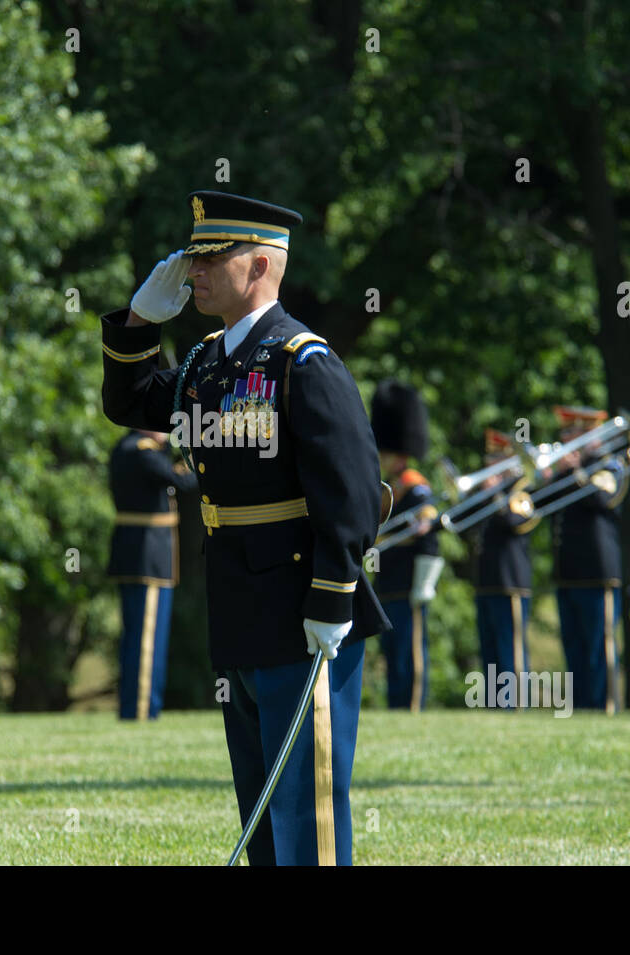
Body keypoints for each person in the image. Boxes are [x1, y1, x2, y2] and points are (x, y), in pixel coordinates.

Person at [99, 190, 388, 865]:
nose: (192, 272)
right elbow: (131, 403)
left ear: (259, 266)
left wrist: (332, 593)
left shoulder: (302, 361)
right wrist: (141, 320)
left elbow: (350, 491)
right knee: (260, 806)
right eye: (192, 258)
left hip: (300, 602)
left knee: (305, 805)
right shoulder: (206, 362)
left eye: (210, 258)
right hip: (238, 600)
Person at [538, 406, 627, 713]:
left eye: (570, 433)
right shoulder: (567, 472)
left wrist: (574, 473)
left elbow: (601, 499)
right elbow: (540, 506)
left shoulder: (609, 464)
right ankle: (580, 706)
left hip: (597, 570)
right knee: (573, 645)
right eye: (564, 434)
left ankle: (605, 705)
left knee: (599, 647)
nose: (565, 440)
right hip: (568, 571)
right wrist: (553, 476)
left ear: (590, 434)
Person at [106, 429, 197, 720]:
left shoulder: (125, 447)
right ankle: (142, 709)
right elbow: (183, 482)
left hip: (136, 554)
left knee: (136, 636)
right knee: (146, 640)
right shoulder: (142, 451)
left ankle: (134, 706)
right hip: (150, 557)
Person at [370, 381, 443, 711]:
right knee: (392, 650)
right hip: (388, 581)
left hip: (409, 580)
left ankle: (412, 705)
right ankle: (396, 705)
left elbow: (429, 537)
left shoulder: (416, 490)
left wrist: (425, 582)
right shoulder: (391, 488)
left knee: (410, 651)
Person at [470, 429, 539, 707]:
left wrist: (496, 495)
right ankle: (494, 705)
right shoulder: (488, 493)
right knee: (489, 650)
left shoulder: (521, 490)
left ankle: (514, 704)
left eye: (496, 459)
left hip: (512, 581)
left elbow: (515, 522)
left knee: (510, 650)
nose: (489, 464)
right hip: (486, 581)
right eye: (489, 458)